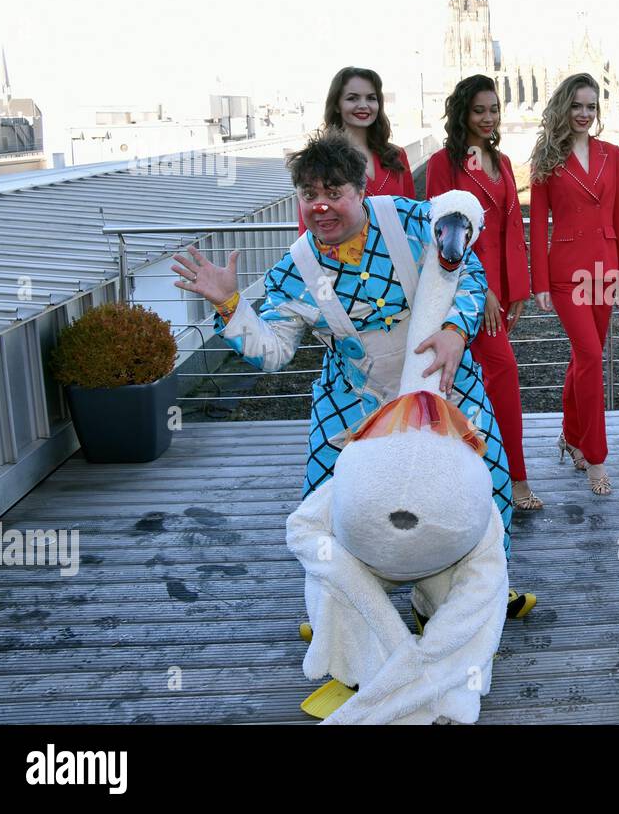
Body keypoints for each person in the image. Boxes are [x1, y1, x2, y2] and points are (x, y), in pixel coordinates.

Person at [174, 131, 535, 619]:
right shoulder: (293, 270)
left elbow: (466, 268)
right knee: (326, 495)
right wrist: (230, 307)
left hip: (442, 377)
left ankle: (485, 592)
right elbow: (274, 353)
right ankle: (338, 614)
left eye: (333, 192)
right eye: (309, 195)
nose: (320, 206)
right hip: (353, 394)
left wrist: (455, 329)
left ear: (360, 191)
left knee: (487, 476)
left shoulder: (410, 219)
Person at [426, 75, 540, 511]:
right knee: (504, 374)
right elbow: (446, 235)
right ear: (463, 114)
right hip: (467, 291)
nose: (489, 117)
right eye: (479, 110)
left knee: (478, 383)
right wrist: (484, 289)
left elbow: (513, 229)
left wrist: (518, 289)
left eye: (494, 109)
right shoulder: (444, 163)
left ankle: (475, 476)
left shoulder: (504, 161)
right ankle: (515, 479)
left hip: (504, 291)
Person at [529, 73, 619, 496]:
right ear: (563, 108)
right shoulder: (547, 158)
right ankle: (595, 456)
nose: (584, 114)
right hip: (566, 274)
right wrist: (539, 283)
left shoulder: (613, 155)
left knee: (583, 359)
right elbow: (537, 226)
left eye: (591, 107)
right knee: (591, 355)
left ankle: (570, 435)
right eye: (577, 106)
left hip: (606, 271)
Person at [297, 67, 414, 233]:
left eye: (371, 98)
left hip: (397, 256)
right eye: (353, 98)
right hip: (342, 257)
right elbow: (309, 228)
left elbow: (412, 217)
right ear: (337, 105)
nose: (363, 105)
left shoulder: (397, 156)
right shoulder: (320, 160)